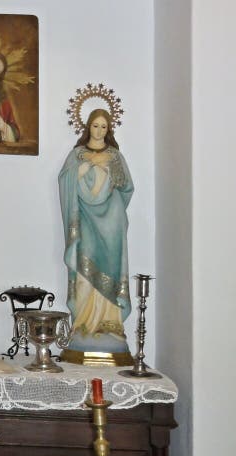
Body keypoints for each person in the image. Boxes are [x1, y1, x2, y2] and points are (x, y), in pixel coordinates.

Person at [58, 107, 134, 358]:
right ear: (88, 126)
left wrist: (107, 174)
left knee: (110, 267)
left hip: (111, 222)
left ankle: (109, 325)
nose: (99, 131)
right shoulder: (76, 155)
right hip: (85, 221)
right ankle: (84, 325)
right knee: (85, 267)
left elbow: (126, 187)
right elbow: (65, 181)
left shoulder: (115, 156)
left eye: (104, 127)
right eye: (95, 125)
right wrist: (80, 171)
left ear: (108, 129)